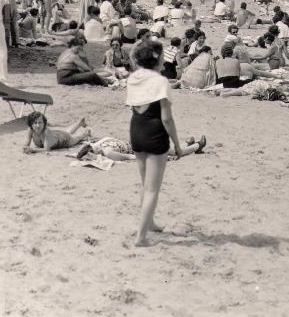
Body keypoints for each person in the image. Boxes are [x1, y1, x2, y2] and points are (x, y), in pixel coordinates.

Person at [126, 41, 189, 247]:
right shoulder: (161, 82)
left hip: (136, 129)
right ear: (156, 59)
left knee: (145, 185)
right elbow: (167, 119)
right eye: (162, 56)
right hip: (155, 133)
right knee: (153, 189)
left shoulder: (133, 78)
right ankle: (141, 237)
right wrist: (178, 145)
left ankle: (150, 222)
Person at [77, 134, 207, 161]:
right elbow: (129, 156)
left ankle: (188, 146)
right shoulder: (108, 152)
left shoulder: (99, 145)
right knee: (169, 151)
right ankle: (197, 146)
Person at [22, 112, 90, 153]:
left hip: (65, 140)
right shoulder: (30, 130)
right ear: (31, 124)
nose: (38, 125)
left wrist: (33, 150)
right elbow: (27, 142)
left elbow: (46, 149)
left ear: (44, 123)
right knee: (66, 132)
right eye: (35, 123)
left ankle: (85, 133)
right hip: (57, 134)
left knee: (76, 138)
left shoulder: (45, 132)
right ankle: (79, 123)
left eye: (40, 122)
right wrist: (25, 147)